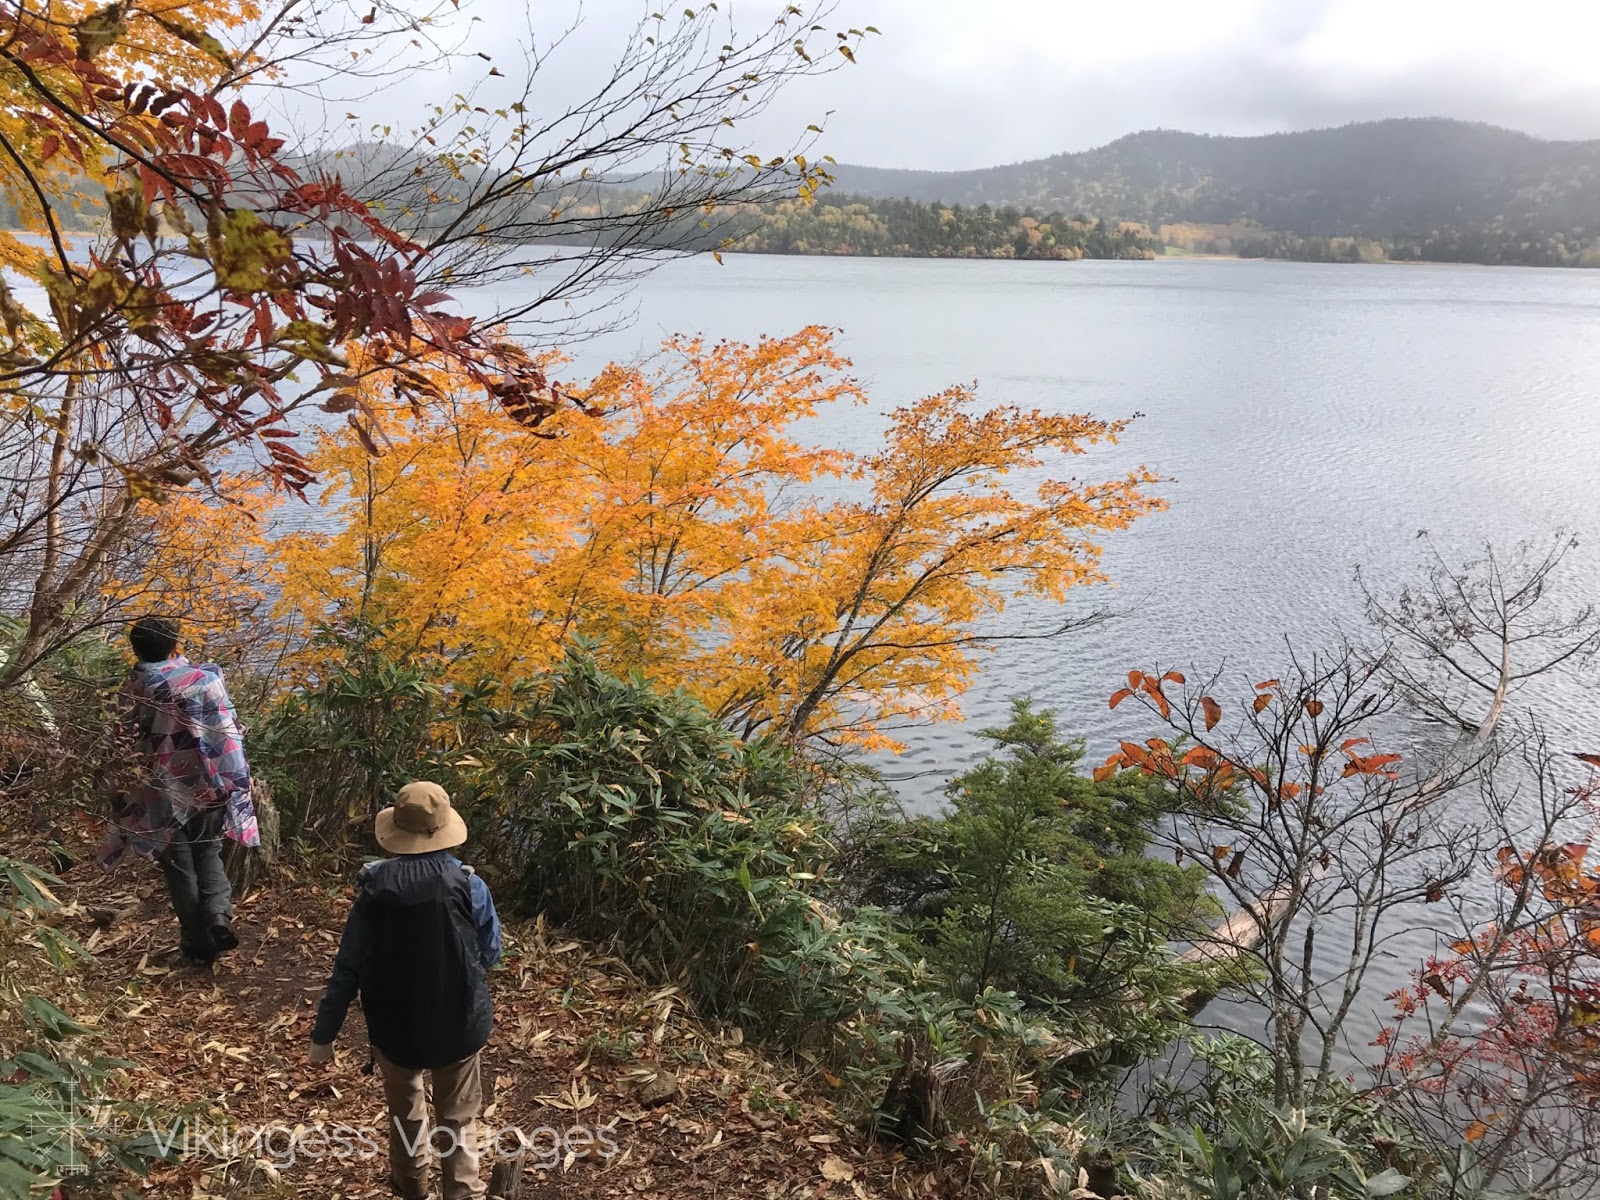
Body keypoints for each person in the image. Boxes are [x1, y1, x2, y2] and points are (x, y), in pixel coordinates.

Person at [309, 781, 501, 1200]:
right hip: (459, 1023)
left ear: (396, 831)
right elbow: (489, 952)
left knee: (406, 1112)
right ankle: (461, 1193)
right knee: (458, 1118)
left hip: (393, 1027)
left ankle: (411, 1185)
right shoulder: (470, 885)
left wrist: (324, 1036)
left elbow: (348, 966)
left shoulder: (374, 888)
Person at [96, 616, 259, 964]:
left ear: (135, 649)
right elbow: (228, 733)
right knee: (210, 852)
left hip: (159, 792)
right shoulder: (206, 681)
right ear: (174, 646)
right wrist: (238, 779)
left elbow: (119, 747)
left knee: (179, 865)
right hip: (208, 785)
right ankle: (218, 917)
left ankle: (196, 945)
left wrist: (114, 792)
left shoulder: (132, 690)